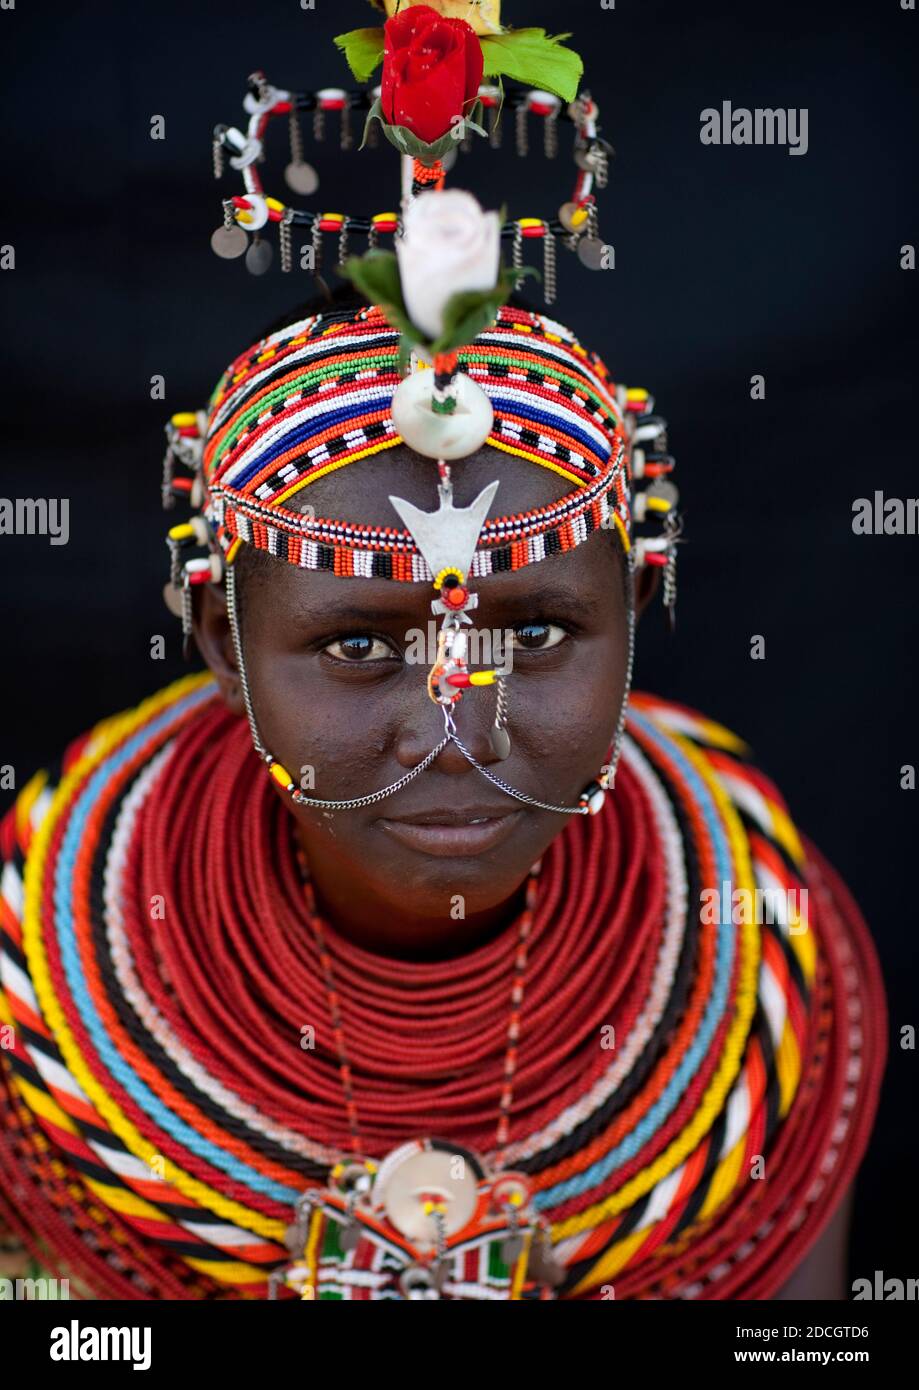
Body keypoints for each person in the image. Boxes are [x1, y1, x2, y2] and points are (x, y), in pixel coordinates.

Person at [0, 279, 886, 1301]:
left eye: (536, 632)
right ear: (224, 647)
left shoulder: (764, 946)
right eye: (360, 643)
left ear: (634, 606)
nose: (457, 737)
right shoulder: (38, 972)